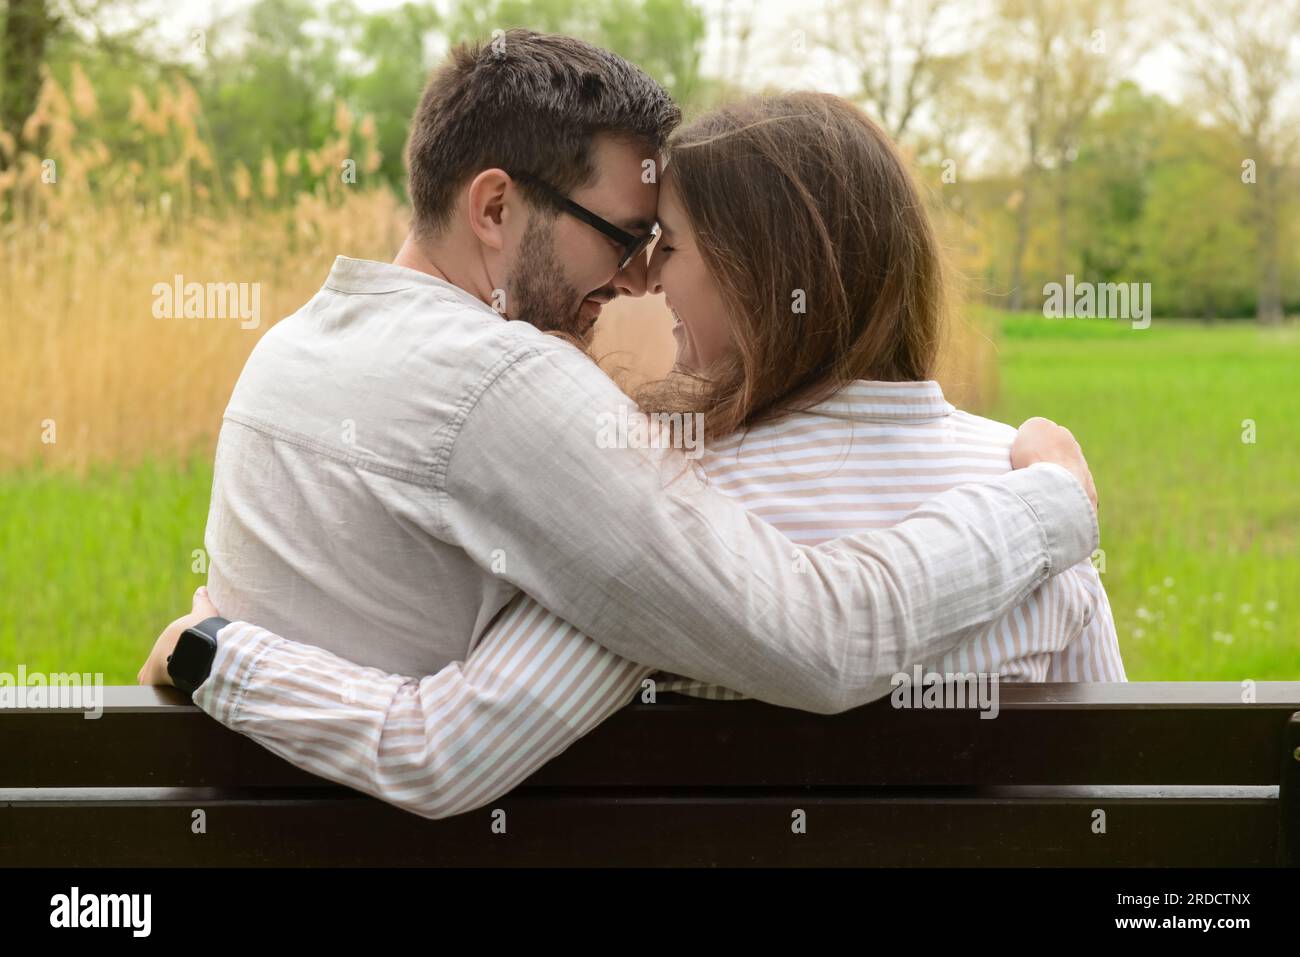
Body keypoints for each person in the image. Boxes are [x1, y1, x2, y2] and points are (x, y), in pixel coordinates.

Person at [141, 37, 1105, 816]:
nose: (635, 279)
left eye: (660, 244)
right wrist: (1047, 506)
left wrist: (215, 649)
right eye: (623, 235)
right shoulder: (513, 383)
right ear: (494, 207)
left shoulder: (288, 348)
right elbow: (819, 637)